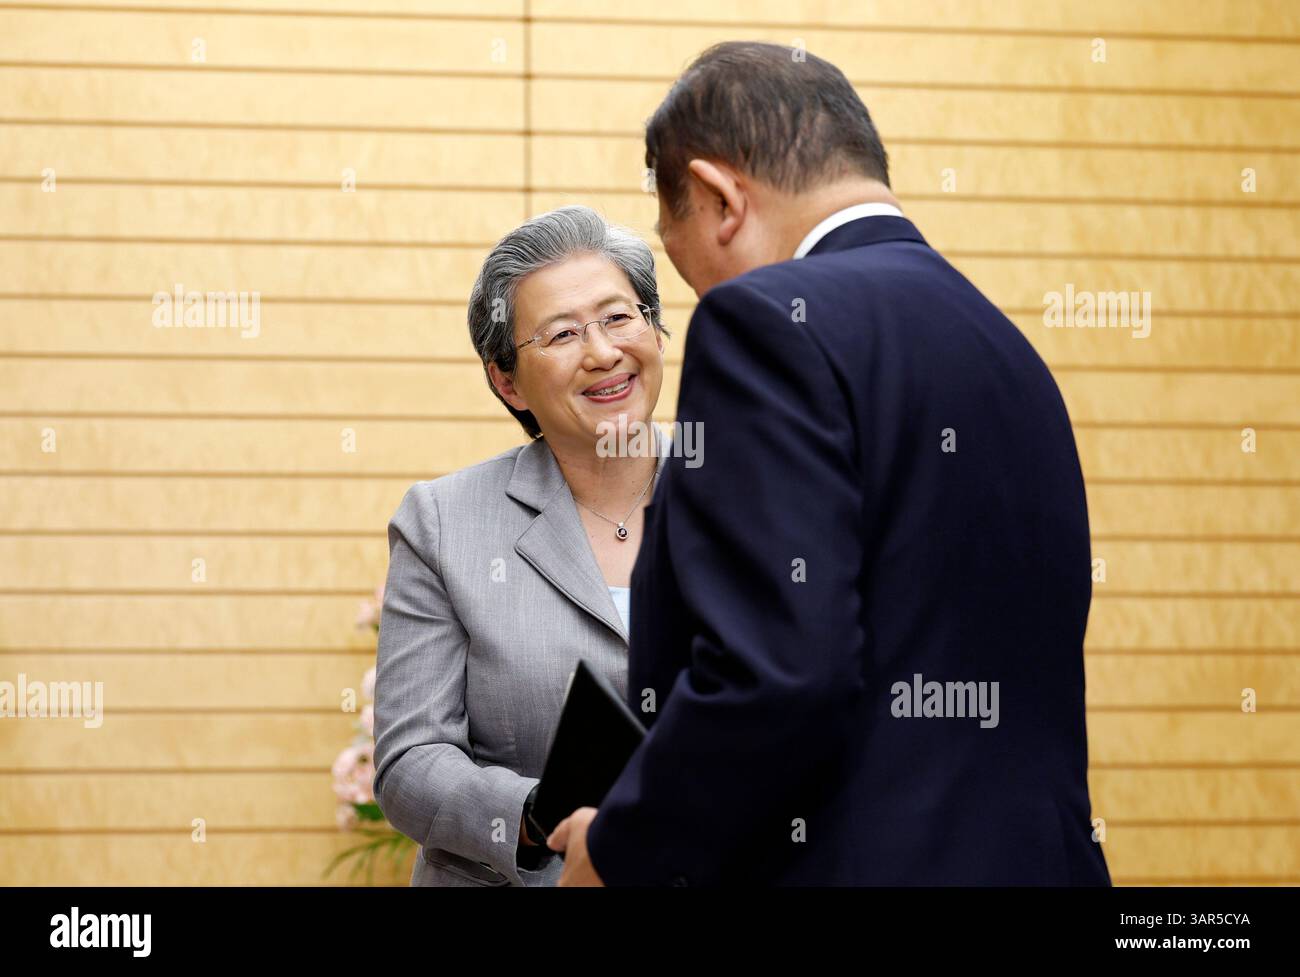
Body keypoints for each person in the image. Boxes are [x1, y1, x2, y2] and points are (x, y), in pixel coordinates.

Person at [547, 42, 1112, 886]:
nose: (710, 294)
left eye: (689, 260)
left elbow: (779, 674)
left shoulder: (763, 324)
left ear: (719, 196)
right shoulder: (1011, 351)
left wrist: (621, 845)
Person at [371, 205, 670, 885]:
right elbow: (410, 758)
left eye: (620, 317)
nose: (601, 352)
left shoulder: (745, 485)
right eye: (562, 333)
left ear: (654, 328)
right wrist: (540, 817)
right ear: (507, 381)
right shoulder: (443, 521)